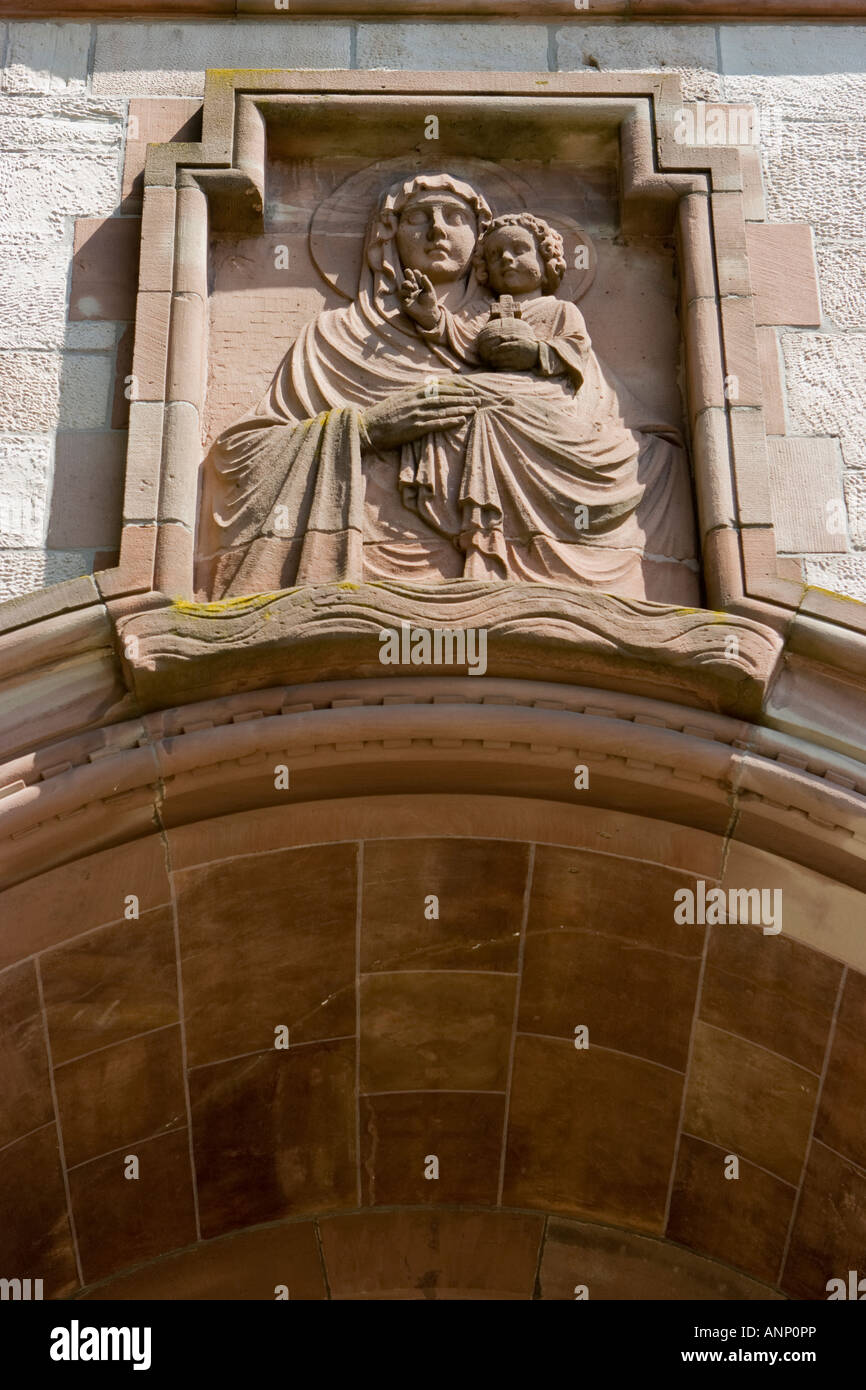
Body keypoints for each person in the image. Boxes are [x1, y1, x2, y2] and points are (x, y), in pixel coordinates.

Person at [195, 173, 697, 602]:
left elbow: (621, 426)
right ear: (387, 236)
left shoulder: (534, 318)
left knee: (668, 466)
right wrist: (366, 429)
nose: (437, 229)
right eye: (419, 217)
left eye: (455, 218)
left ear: (478, 239)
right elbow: (238, 455)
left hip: (541, 514)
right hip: (376, 563)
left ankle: (508, 556)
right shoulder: (336, 336)